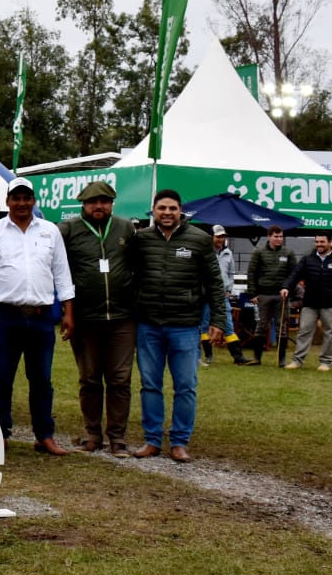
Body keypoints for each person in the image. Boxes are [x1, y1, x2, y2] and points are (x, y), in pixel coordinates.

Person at [0, 177, 75, 456]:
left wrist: (68, 312)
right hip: (4, 317)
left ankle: (44, 435)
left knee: (41, 379)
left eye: (26, 198)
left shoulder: (50, 231)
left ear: (34, 200)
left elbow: (62, 274)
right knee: (2, 377)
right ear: (7, 201)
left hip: (41, 318)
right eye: (16, 198)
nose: (21, 203)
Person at [127, 189, 225, 462]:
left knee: (185, 385)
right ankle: (152, 440)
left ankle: (180, 442)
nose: (167, 213)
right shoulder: (141, 240)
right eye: (162, 208)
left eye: (172, 208)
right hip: (148, 325)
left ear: (180, 211)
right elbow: (130, 277)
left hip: (185, 325)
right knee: (150, 384)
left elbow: (215, 283)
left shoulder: (200, 240)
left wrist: (218, 320)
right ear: (154, 211)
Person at [56, 180, 137, 457]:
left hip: (122, 317)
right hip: (85, 318)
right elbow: (58, 268)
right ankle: (92, 434)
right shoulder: (68, 230)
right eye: (92, 202)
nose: (98, 206)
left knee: (119, 379)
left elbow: (137, 265)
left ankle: (117, 437)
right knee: (89, 378)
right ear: (83, 205)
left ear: (112, 203)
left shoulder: (126, 228)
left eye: (104, 201)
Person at [245, 225, 297, 366]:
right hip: (264, 294)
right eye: (276, 236)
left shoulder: (289, 253)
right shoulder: (259, 252)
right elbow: (252, 273)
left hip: (282, 295)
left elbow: (294, 274)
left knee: (283, 326)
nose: (278, 239)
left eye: (281, 236)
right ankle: (257, 358)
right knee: (261, 325)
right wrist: (253, 293)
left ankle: (281, 360)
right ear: (269, 237)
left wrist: (289, 290)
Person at [280, 233, 332, 371]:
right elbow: (295, 275)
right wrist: (286, 287)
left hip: (329, 304)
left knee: (329, 333)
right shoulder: (308, 259)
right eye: (317, 242)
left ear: (330, 242)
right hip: (310, 303)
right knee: (304, 331)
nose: (319, 244)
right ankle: (297, 361)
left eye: (322, 242)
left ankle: (326, 362)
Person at [206, 225, 253, 366]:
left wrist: (229, 289)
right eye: (218, 236)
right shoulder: (205, 252)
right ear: (211, 237)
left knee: (228, 324)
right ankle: (207, 357)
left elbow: (231, 273)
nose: (221, 239)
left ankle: (238, 357)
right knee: (203, 325)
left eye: (223, 236)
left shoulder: (229, 253)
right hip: (206, 294)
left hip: (222, 294)